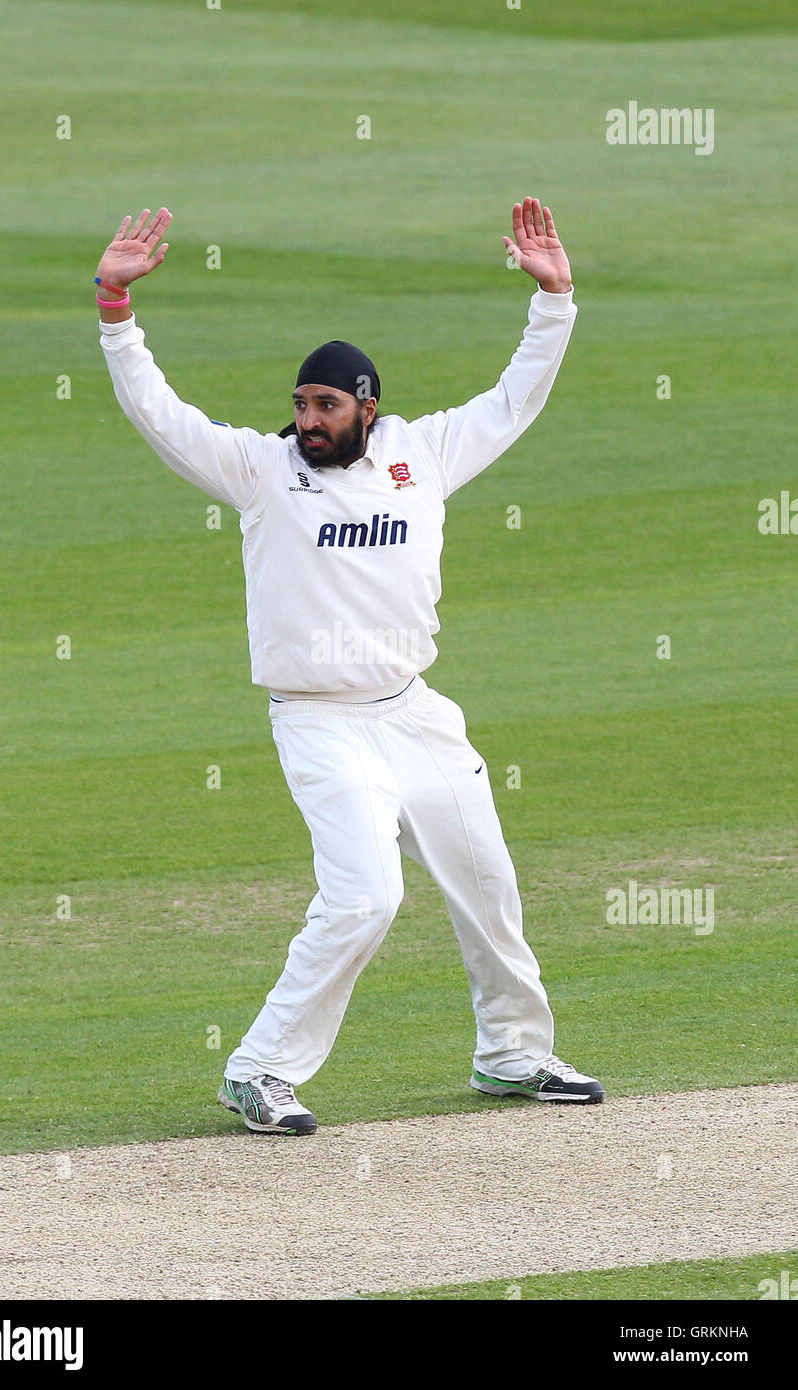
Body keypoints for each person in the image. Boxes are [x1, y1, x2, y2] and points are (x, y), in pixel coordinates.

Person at [95, 198, 604, 1136]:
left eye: (325, 405)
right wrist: (116, 312)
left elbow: (513, 400)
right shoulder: (261, 471)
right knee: (367, 894)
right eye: (299, 404)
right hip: (320, 720)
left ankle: (514, 1052)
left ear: (367, 406)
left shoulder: (424, 454)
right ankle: (259, 1071)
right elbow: (160, 415)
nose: (308, 420)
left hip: (413, 712)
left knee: (487, 881)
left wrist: (556, 300)